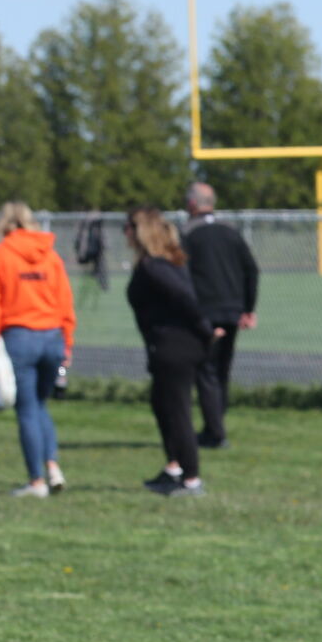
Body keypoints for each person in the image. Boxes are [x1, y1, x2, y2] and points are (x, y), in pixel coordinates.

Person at [0, 202, 75, 497]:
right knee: (40, 404)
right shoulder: (51, 257)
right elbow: (65, 302)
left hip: (19, 335)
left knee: (27, 409)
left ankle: (36, 480)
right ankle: (53, 465)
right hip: (53, 336)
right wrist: (67, 342)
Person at [124, 208, 215, 498]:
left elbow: (185, 298)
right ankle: (174, 468)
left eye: (128, 227)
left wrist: (205, 329)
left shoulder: (156, 267)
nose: (124, 233)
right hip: (164, 343)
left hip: (176, 345)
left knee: (177, 411)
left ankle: (191, 479)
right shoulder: (159, 263)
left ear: (141, 232)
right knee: (162, 405)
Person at [183, 182, 260, 450]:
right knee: (221, 371)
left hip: (204, 312)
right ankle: (215, 426)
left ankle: (214, 433)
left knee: (206, 371)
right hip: (231, 311)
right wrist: (248, 308)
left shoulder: (189, 233)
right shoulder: (230, 231)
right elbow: (251, 269)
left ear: (192, 204)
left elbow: (182, 275)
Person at [74, 210, 110, 292]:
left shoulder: (99, 228)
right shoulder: (84, 227)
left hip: (97, 253)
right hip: (87, 253)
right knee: (85, 273)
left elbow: (103, 240)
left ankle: (103, 284)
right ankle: (84, 286)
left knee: (101, 267)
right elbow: (79, 241)